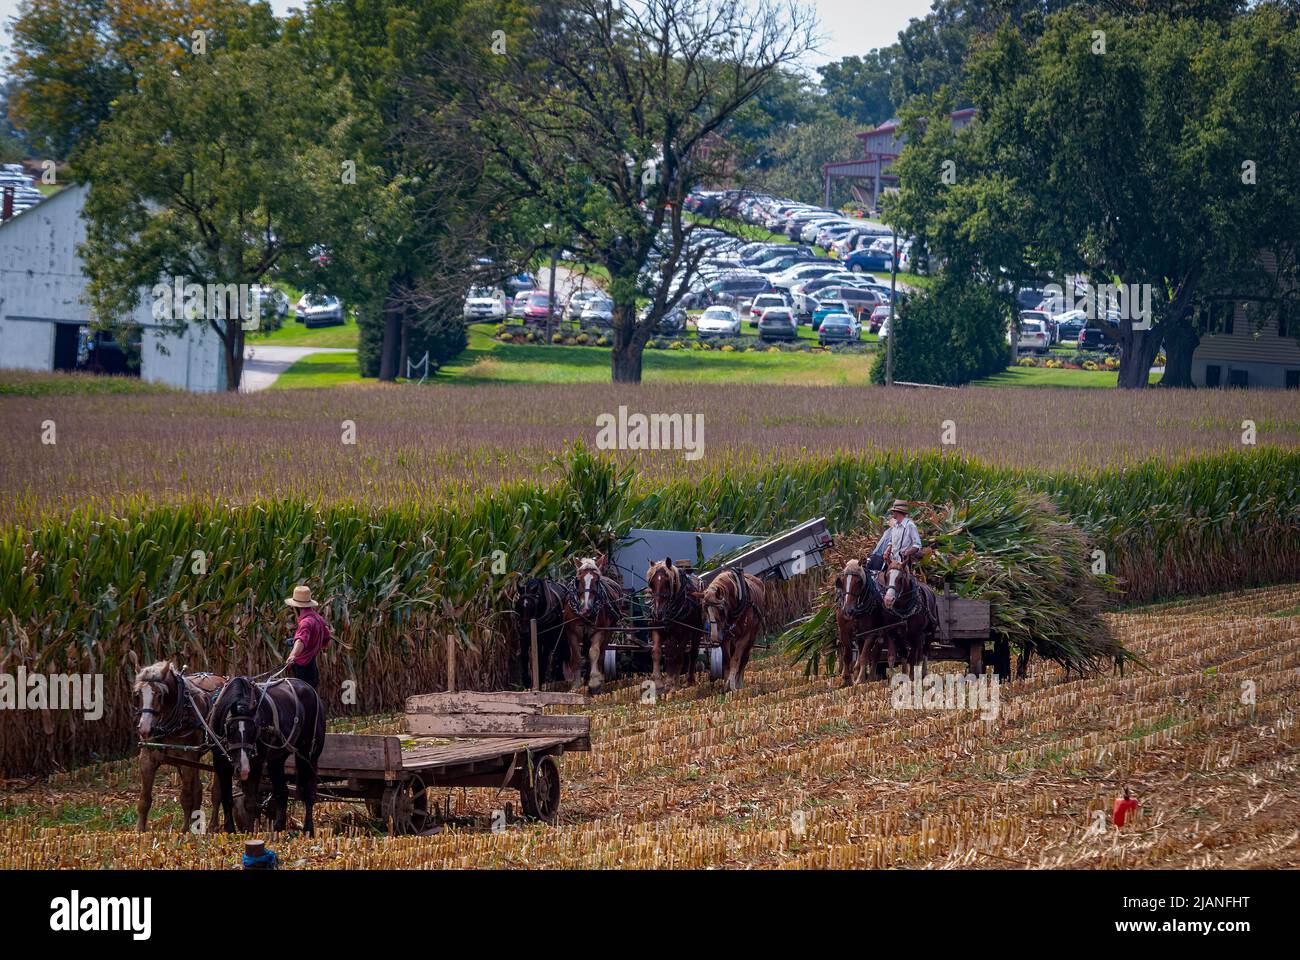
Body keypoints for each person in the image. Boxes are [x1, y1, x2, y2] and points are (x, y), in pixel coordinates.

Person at [284, 585, 329, 689]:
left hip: (302, 668)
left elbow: (301, 640)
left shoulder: (306, 622)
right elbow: (328, 642)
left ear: (296, 607)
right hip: (312, 667)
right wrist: (313, 645)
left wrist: (292, 655)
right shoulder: (319, 618)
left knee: (301, 699)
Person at [868, 500, 922, 571]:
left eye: (893, 511)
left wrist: (907, 552)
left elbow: (917, 545)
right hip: (891, 561)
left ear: (897, 512)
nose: (892, 513)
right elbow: (891, 541)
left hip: (902, 563)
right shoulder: (895, 526)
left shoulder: (910, 526)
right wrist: (887, 549)